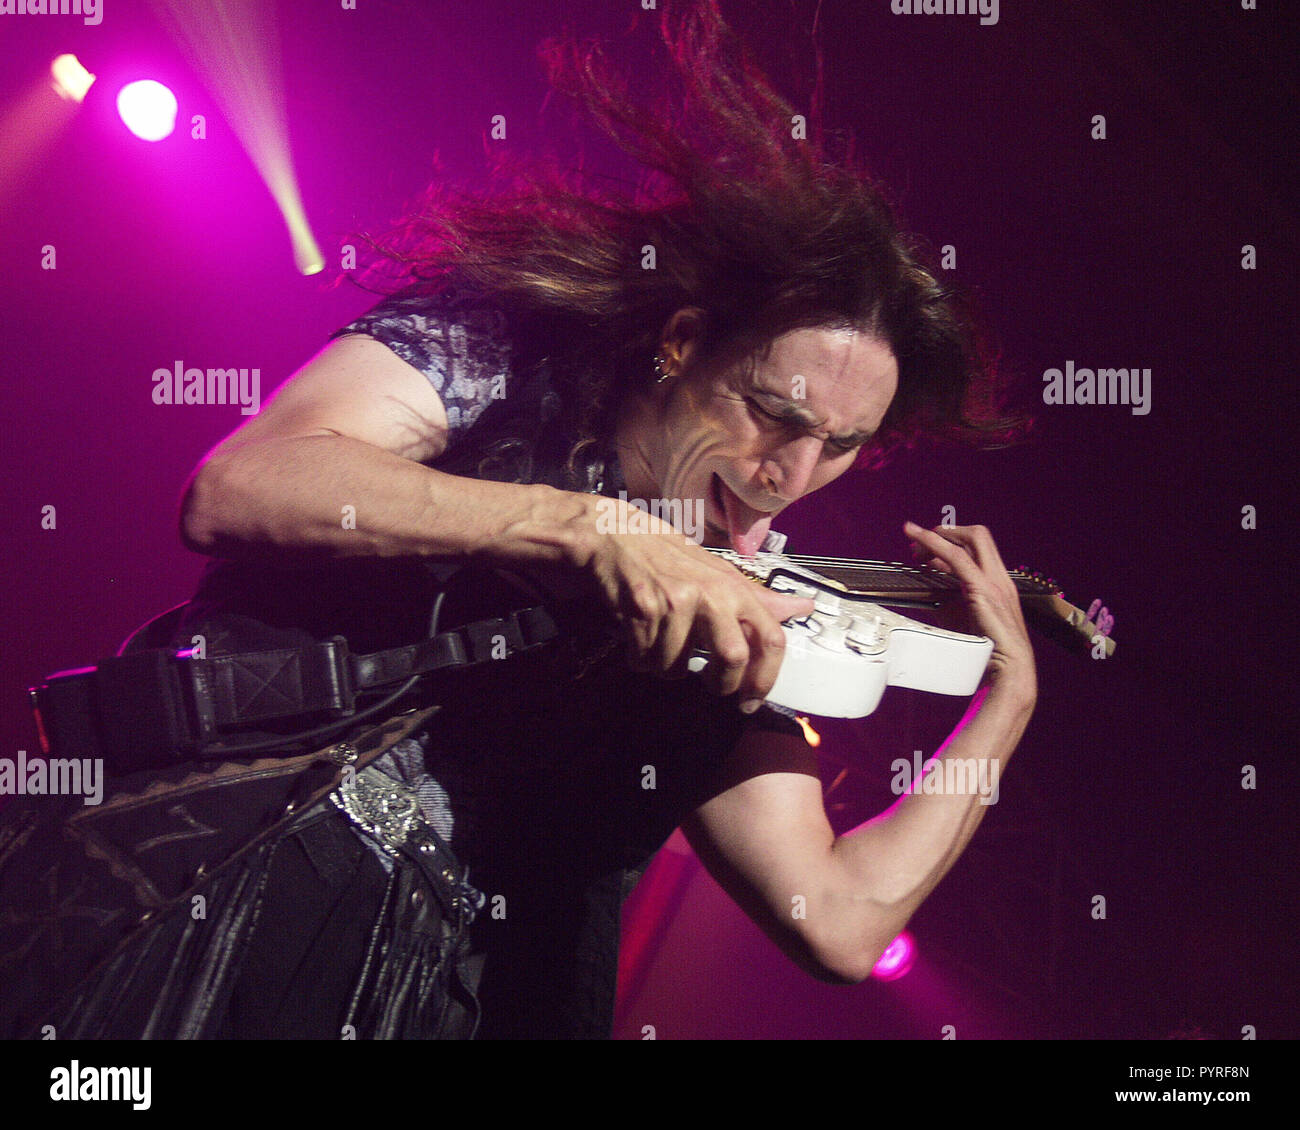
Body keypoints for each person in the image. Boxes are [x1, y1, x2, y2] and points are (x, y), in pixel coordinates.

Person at [0, 2, 1036, 1040]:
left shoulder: (737, 610)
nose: (790, 474)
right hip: (198, 895)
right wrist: (588, 527)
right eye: (773, 413)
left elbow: (841, 923)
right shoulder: (496, 350)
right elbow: (242, 485)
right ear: (683, 342)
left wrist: (1006, 699)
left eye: (843, 446)